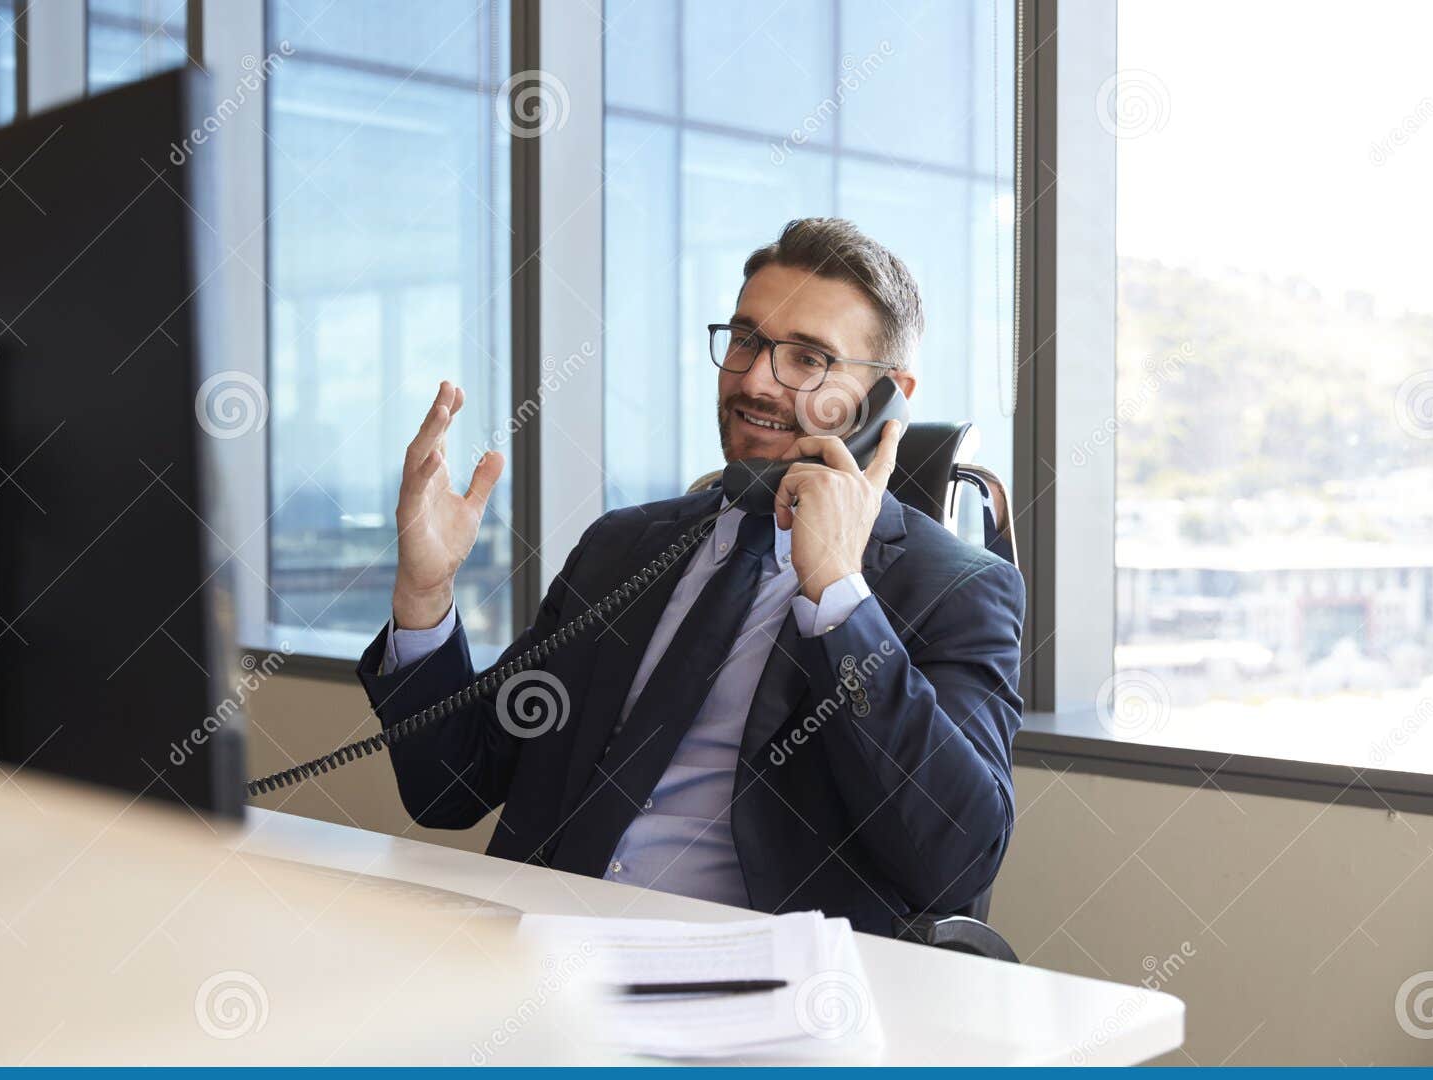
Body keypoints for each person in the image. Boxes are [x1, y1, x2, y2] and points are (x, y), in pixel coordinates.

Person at [356, 218, 1024, 934]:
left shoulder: (953, 587)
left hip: (758, 996)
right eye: (746, 341)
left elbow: (956, 858)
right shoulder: (623, 547)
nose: (757, 379)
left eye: (808, 358)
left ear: (887, 397)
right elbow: (448, 788)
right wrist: (424, 595)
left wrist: (836, 592)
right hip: (536, 964)